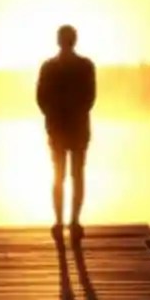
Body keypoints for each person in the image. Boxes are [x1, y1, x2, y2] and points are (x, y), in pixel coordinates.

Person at [36, 24, 96, 235]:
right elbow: (42, 98)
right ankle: (69, 221)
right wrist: (56, 117)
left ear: (59, 41)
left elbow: (88, 98)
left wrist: (55, 116)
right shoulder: (82, 66)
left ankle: (65, 221)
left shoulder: (54, 67)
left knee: (64, 175)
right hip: (66, 129)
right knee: (71, 175)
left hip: (67, 128)